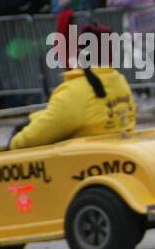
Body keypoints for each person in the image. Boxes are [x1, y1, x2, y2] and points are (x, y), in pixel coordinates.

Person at [9, 11, 136, 149]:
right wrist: (36, 117)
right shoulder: (119, 81)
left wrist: (14, 142)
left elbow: (34, 137)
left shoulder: (75, 91)